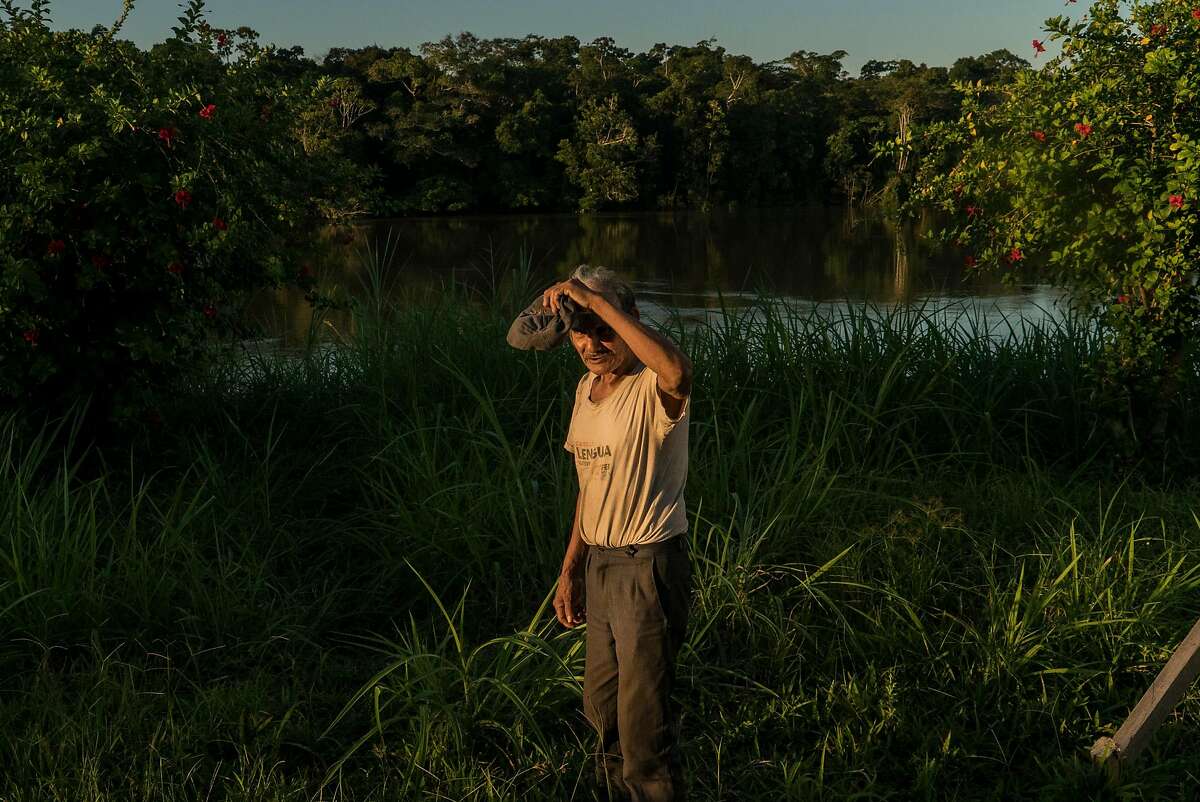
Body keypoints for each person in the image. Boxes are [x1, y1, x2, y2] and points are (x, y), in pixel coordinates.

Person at [542, 265, 693, 802]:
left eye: (604, 329)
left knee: (643, 725)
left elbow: (678, 371)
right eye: (580, 331)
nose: (591, 343)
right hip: (601, 565)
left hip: (647, 564)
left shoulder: (651, 387)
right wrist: (571, 570)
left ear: (630, 320)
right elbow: (589, 487)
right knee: (601, 711)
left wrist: (595, 301)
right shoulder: (586, 390)